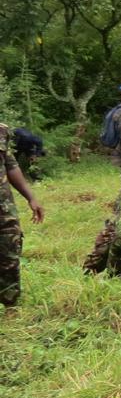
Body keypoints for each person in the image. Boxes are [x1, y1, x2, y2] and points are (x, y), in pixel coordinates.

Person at [0, 122, 45, 307]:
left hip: (3, 206)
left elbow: (10, 165)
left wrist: (30, 197)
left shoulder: (2, 130)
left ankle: (10, 303)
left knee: (10, 247)